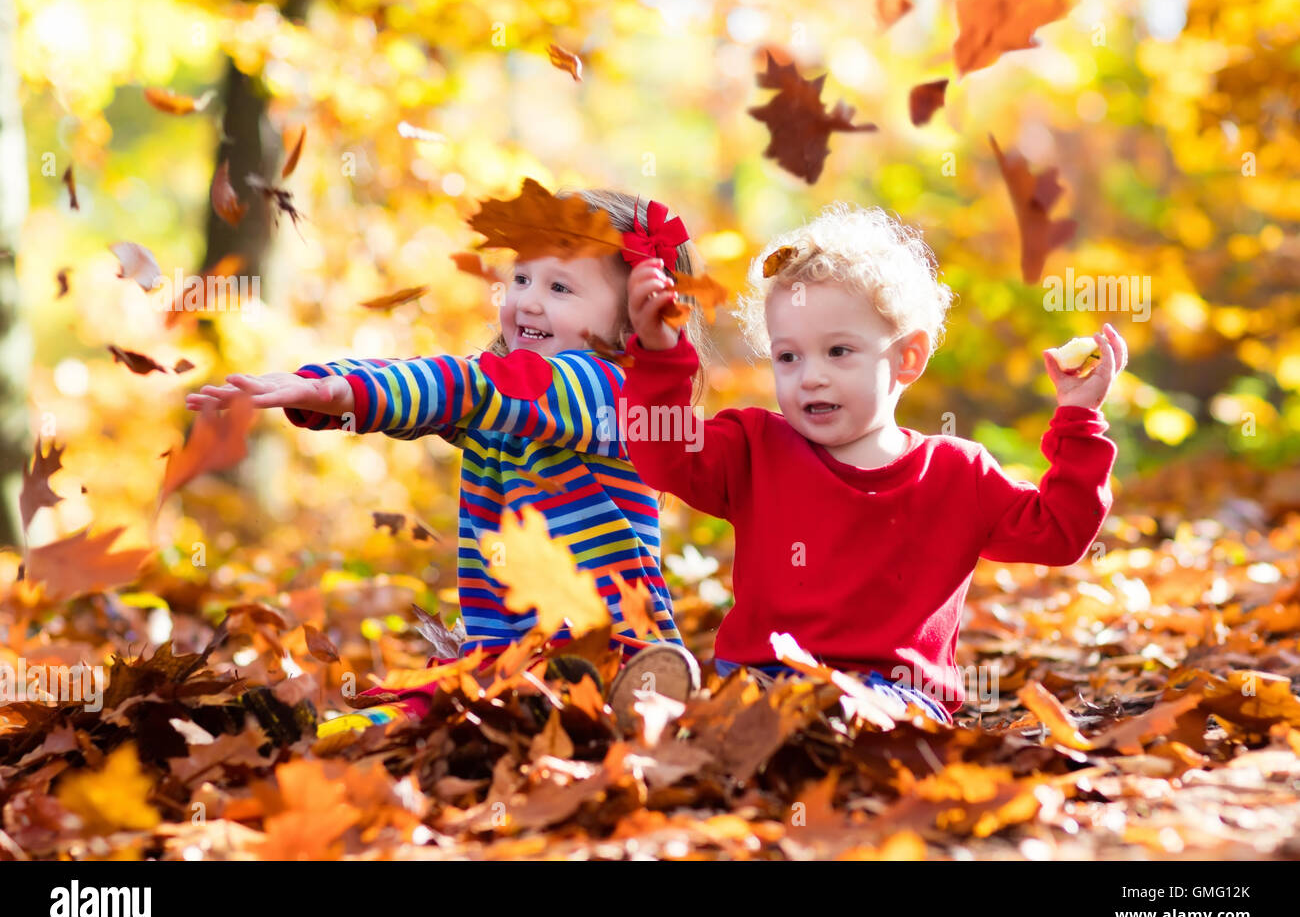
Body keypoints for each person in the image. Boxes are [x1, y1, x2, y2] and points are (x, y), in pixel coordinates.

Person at [185, 188, 709, 735]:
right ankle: (304, 735)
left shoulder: (610, 390)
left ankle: (601, 715)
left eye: (559, 287)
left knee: (507, 704)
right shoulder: (502, 396)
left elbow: (471, 387)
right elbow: (425, 395)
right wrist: (324, 391)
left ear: (628, 325)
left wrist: (340, 392)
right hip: (505, 657)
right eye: (522, 278)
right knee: (427, 711)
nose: (528, 301)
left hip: (611, 650)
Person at [619, 202, 1128, 724]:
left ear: (907, 357)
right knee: (737, 704)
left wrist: (1078, 417)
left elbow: (1060, 533)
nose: (810, 376)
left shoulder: (956, 472)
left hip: (893, 693)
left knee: (847, 714)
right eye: (788, 357)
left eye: (838, 351)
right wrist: (660, 355)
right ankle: (681, 723)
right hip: (763, 674)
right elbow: (665, 457)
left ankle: (773, 733)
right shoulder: (754, 446)